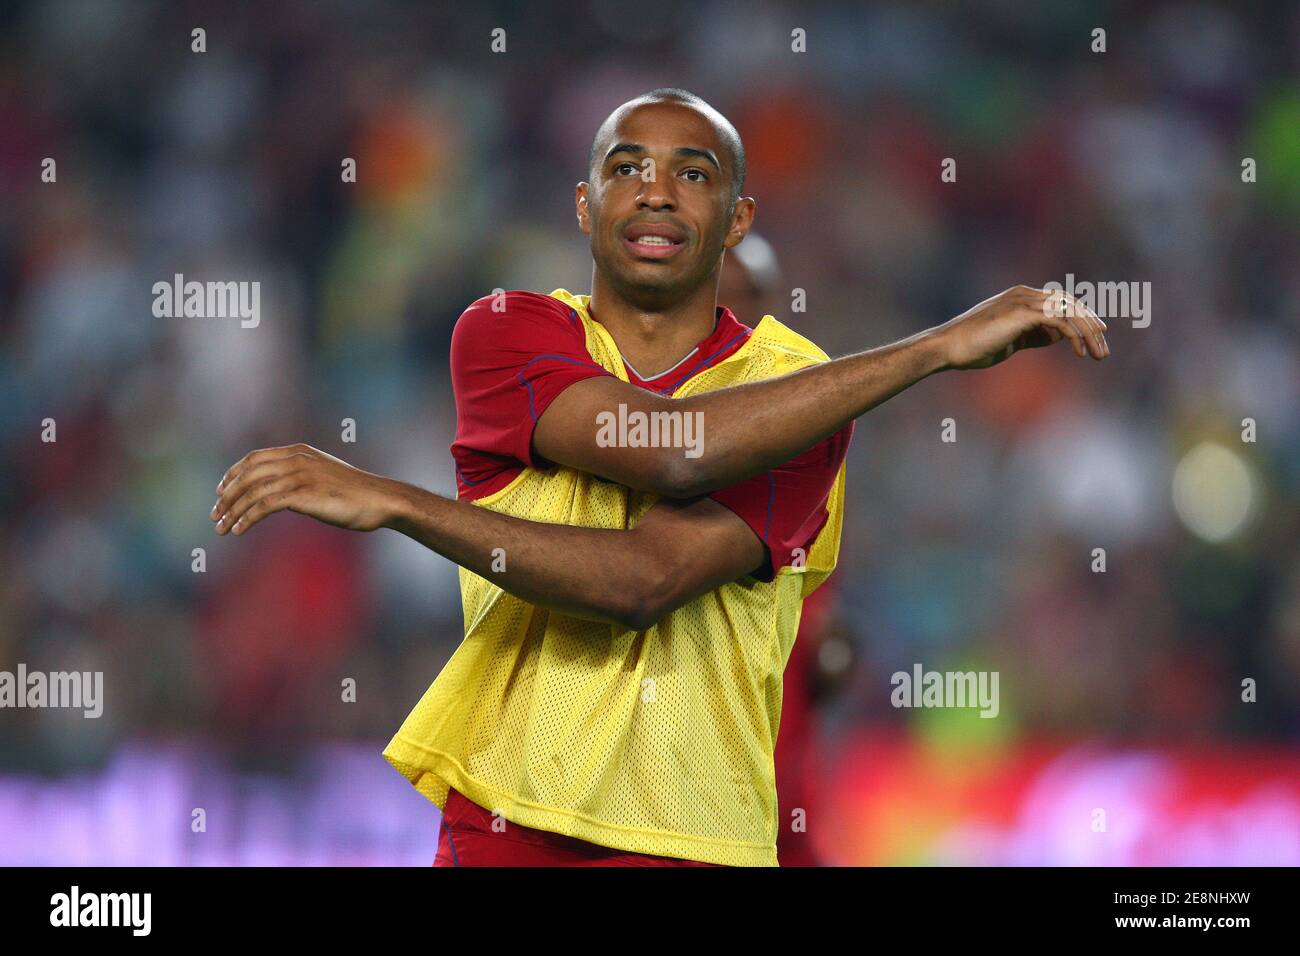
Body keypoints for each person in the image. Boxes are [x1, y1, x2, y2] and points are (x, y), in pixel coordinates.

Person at [209, 88, 1108, 867]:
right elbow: (666, 445)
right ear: (583, 205)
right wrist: (931, 353)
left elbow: (644, 578)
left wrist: (398, 504)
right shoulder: (504, 331)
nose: (655, 190)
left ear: (739, 219)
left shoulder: (800, 396)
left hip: (700, 842)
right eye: (627, 166)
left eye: (694, 172)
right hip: (505, 823)